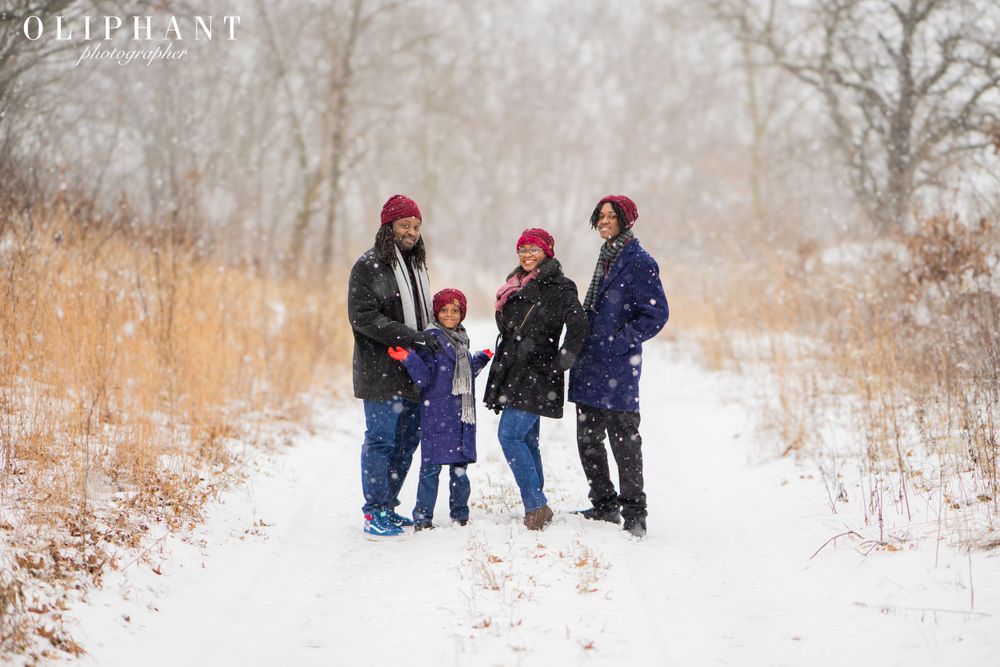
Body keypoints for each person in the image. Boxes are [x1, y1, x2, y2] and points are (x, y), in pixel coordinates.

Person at [568, 195, 669, 538]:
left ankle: (635, 512)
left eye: (611, 216)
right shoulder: (606, 257)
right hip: (590, 361)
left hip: (618, 366)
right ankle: (604, 503)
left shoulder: (639, 260)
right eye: (601, 215)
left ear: (627, 221)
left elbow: (657, 314)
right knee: (588, 437)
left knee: (624, 439)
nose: (604, 220)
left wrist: (621, 339)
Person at [348, 194, 442, 538]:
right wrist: (410, 337)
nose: (411, 232)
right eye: (405, 225)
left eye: (416, 226)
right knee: (381, 440)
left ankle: (388, 504)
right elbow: (363, 317)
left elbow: (424, 316)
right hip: (379, 370)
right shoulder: (368, 265)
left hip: (413, 371)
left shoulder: (417, 267)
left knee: (407, 440)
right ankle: (373, 511)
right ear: (388, 227)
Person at [484, 228, 589, 530]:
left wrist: (559, 363)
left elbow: (579, 327)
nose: (527, 254)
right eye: (522, 249)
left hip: (539, 372)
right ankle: (539, 502)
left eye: (534, 249)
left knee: (509, 436)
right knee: (527, 438)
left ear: (547, 252)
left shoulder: (560, 286)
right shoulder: (514, 284)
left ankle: (535, 504)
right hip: (514, 370)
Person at [388, 288, 493, 531]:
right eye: (444, 310)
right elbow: (425, 379)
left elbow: (459, 378)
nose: (449, 315)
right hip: (437, 414)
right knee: (430, 470)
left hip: (460, 415)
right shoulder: (431, 339)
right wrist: (408, 358)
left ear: (462, 314)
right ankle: (423, 519)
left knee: (459, 470)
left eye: (455, 311)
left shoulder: (460, 340)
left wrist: (478, 360)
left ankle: (460, 515)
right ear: (436, 312)